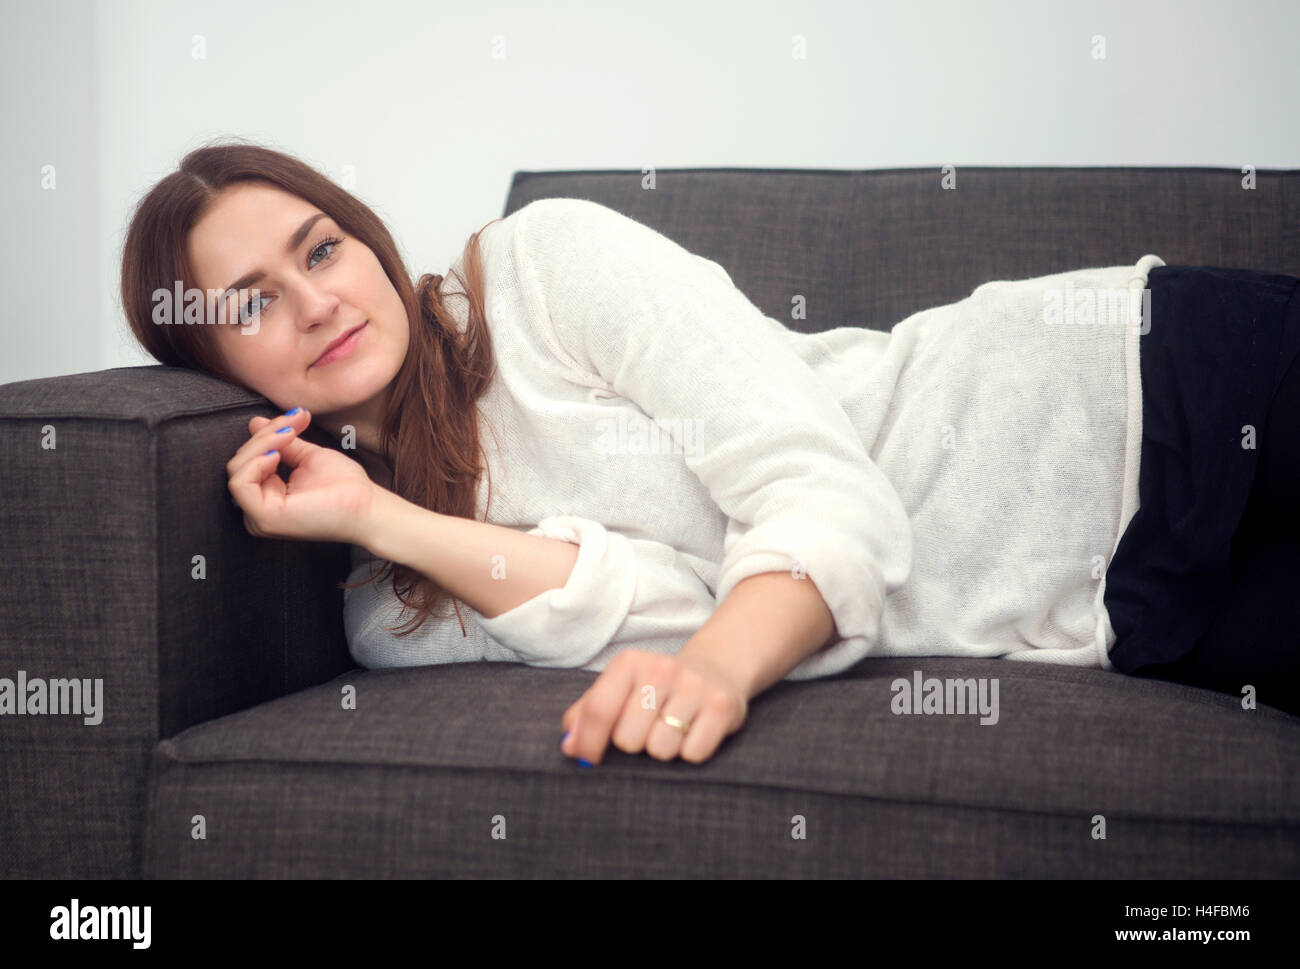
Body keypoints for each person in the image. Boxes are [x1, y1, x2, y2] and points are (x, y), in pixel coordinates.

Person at [120, 140, 1300, 775]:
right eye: (253, 304)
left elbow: (820, 492)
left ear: (363, 239)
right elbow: (669, 604)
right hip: (1109, 604)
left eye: (320, 249)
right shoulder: (392, 607)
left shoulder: (539, 267)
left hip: (1141, 383)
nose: (317, 302)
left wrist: (724, 675)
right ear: (221, 377)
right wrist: (379, 519)